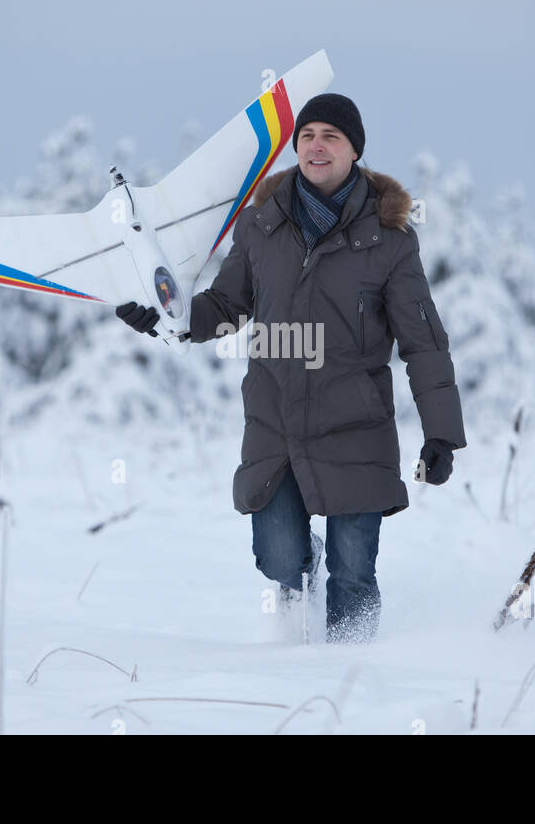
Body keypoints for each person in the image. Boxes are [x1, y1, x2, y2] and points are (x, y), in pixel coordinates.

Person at [116, 93, 466, 643]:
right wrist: (169, 318)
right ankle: (298, 633)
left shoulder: (390, 239)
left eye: (331, 136)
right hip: (275, 421)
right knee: (281, 559)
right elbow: (227, 308)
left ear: (354, 151)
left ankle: (353, 678)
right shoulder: (260, 226)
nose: (316, 145)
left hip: (356, 425)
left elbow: (422, 342)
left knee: (352, 572)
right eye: (306, 135)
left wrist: (442, 435)